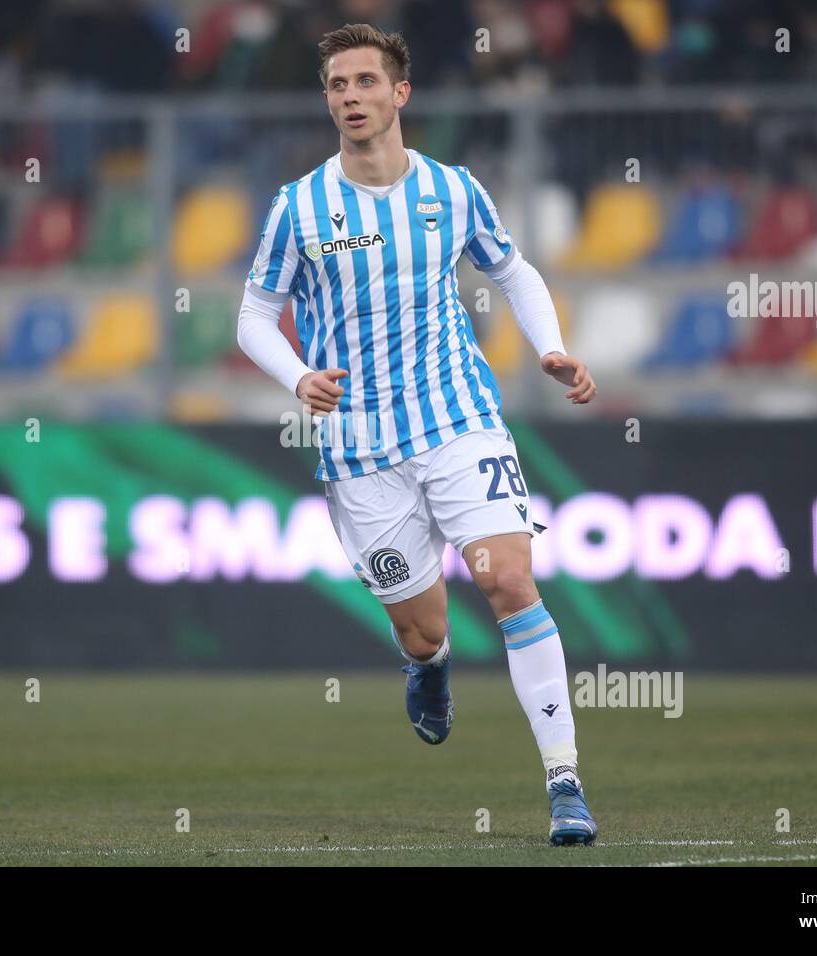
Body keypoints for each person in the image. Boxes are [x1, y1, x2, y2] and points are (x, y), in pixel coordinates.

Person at [236, 23, 600, 845]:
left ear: (401, 93)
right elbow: (254, 315)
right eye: (337, 85)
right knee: (424, 626)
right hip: (360, 446)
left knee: (508, 581)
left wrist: (549, 345)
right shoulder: (300, 207)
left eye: (367, 81)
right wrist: (298, 376)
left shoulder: (453, 189)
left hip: (458, 418)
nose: (352, 97)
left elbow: (510, 267)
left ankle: (565, 782)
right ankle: (429, 668)